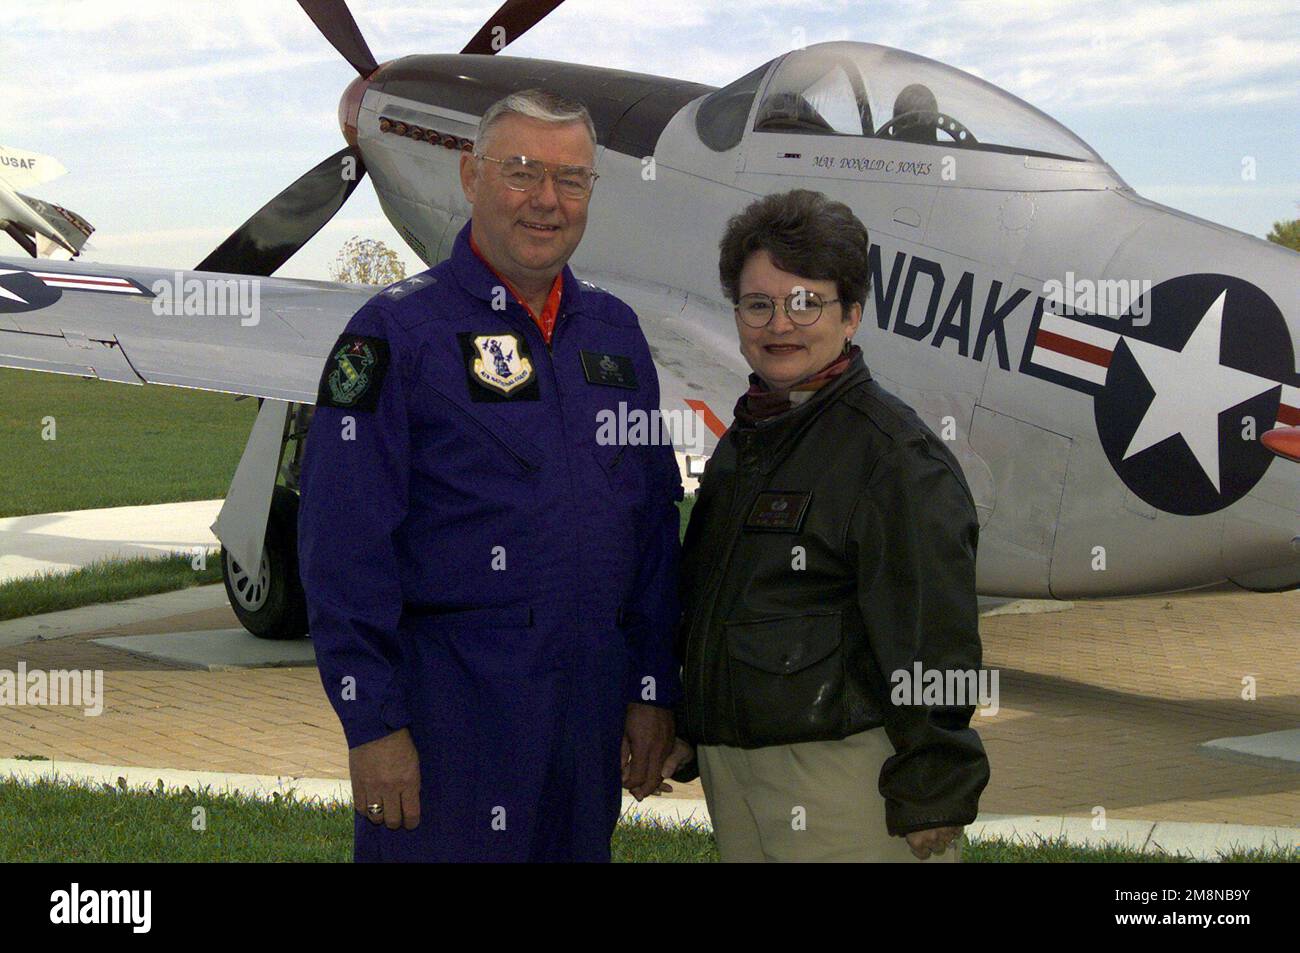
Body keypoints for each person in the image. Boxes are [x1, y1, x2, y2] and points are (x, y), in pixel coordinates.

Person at [297, 89, 682, 862]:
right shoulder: (395, 334)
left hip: (583, 716)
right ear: (471, 177)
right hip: (451, 720)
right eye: (521, 172)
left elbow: (650, 525)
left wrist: (650, 688)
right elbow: (342, 545)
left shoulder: (615, 335)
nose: (547, 200)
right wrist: (372, 726)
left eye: (571, 180)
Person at [661, 189, 990, 862]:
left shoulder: (891, 455)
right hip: (739, 777)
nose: (780, 322)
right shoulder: (749, 439)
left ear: (851, 316)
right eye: (759, 303)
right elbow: (717, 604)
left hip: (845, 775)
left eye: (806, 301)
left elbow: (932, 628)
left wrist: (932, 781)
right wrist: (687, 724)